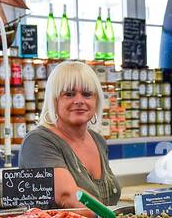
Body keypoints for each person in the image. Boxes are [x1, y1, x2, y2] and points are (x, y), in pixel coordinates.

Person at [18, 60, 122, 208]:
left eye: (87, 94)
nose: (79, 101)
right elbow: (66, 196)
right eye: (69, 94)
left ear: (96, 100)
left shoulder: (98, 140)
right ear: (54, 101)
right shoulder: (37, 141)